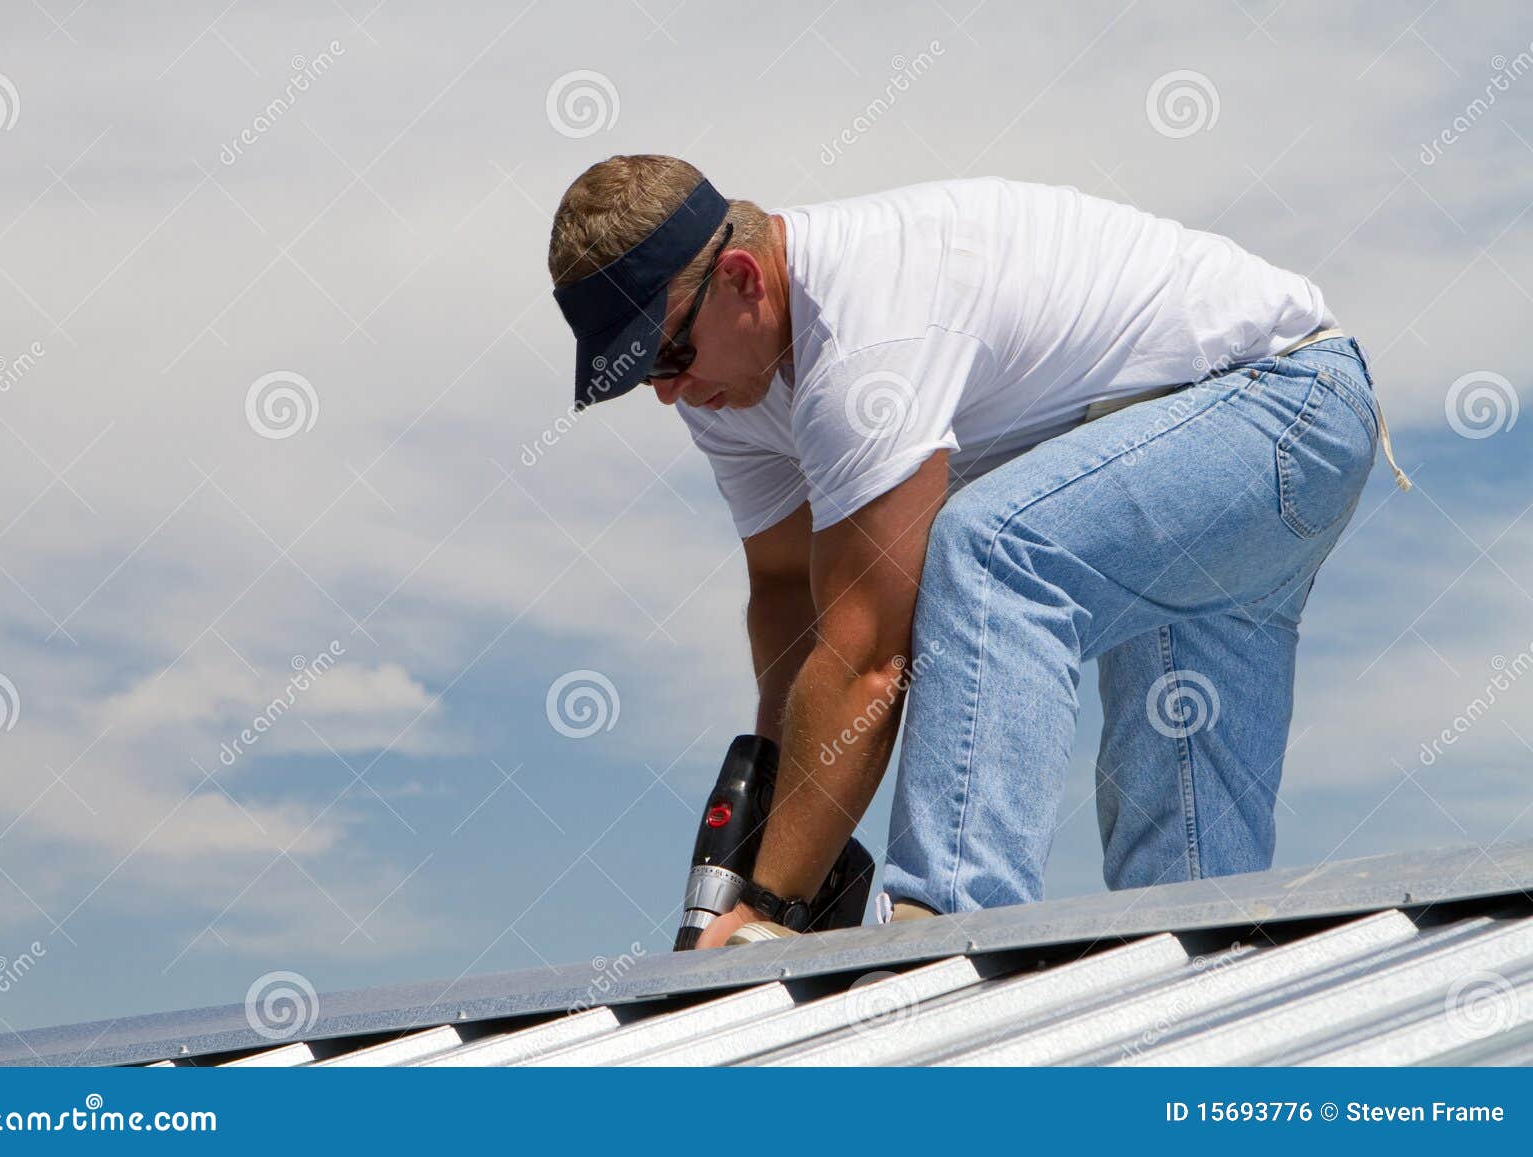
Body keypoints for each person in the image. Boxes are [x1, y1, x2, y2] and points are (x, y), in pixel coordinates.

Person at [546, 155, 1409, 948]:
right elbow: (788, 598)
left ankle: (947, 919)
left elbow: (868, 658)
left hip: (1281, 406)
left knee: (993, 551)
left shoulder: (864, 333)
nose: (668, 395)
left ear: (740, 278)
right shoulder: (721, 391)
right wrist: (767, 829)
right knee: (1180, 920)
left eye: (670, 356)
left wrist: (770, 910)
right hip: (1192, 464)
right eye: (638, 378)